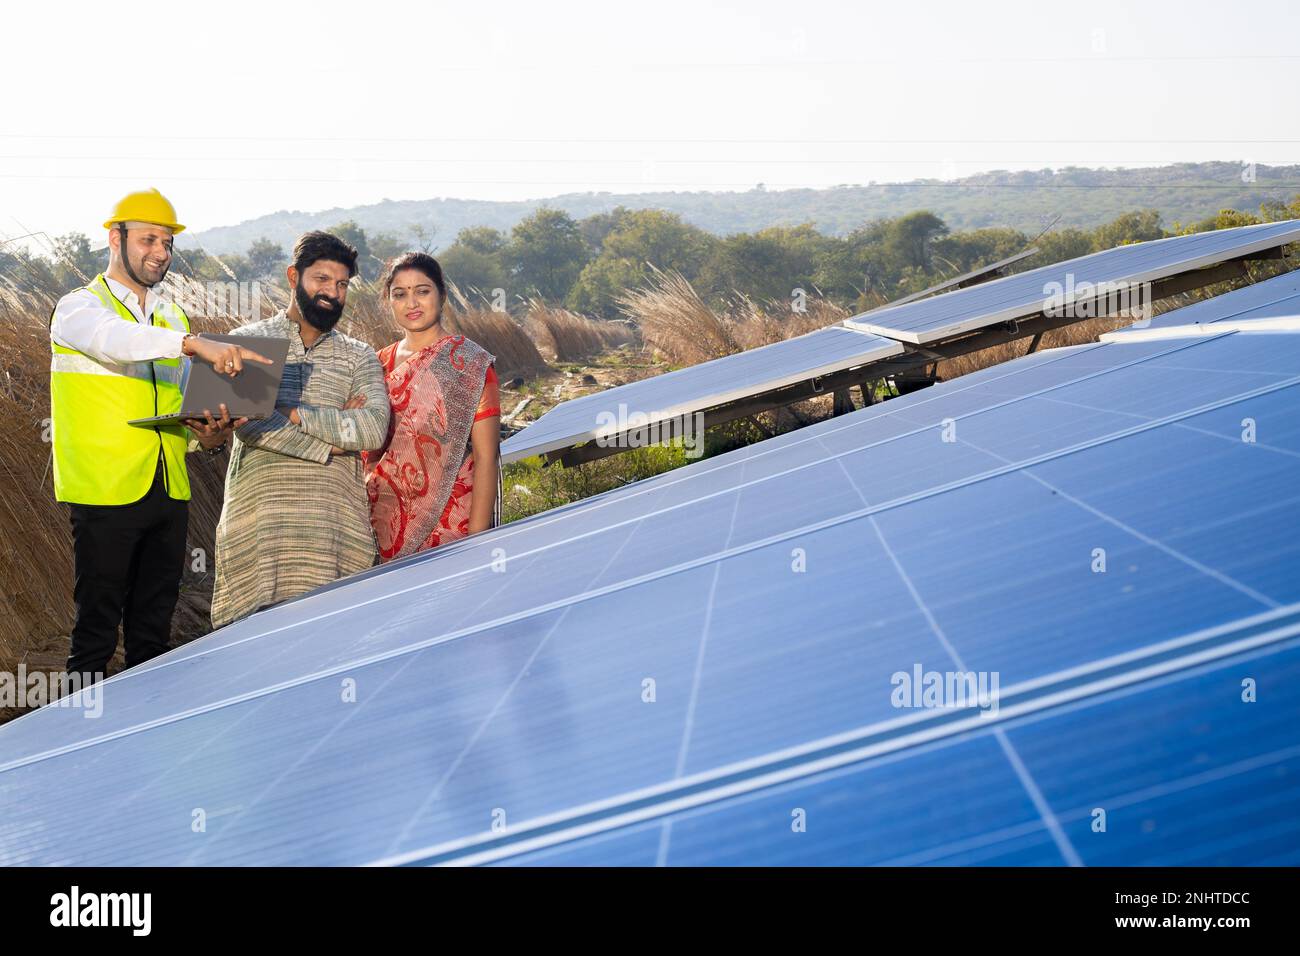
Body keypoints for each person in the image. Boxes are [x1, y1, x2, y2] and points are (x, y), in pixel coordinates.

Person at [49, 188, 273, 683]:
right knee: (95, 634)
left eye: (168, 243)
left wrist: (208, 436)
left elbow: (176, 407)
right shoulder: (78, 308)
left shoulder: (172, 317)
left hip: (168, 489)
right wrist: (196, 345)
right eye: (149, 239)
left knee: (153, 636)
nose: (161, 252)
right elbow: (116, 341)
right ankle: (73, 748)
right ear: (115, 238)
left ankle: (144, 742)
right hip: (105, 490)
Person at [210, 231, 391, 627]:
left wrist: (290, 411)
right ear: (294, 276)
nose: (332, 292)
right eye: (321, 279)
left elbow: (374, 429)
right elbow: (252, 429)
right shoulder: (244, 344)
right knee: (255, 661)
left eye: (341, 284)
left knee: (334, 648)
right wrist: (334, 442)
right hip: (259, 531)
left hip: (335, 531)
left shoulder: (359, 356)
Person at [359, 252, 501, 562]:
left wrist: (477, 541)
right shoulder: (374, 365)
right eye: (400, 294)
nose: (412, 303)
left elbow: (486, 456)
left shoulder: (469, 363)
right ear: (389, 302)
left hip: (454, 523)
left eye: (422, 291)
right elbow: (366, 454)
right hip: (384, 526)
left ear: (442, 295)